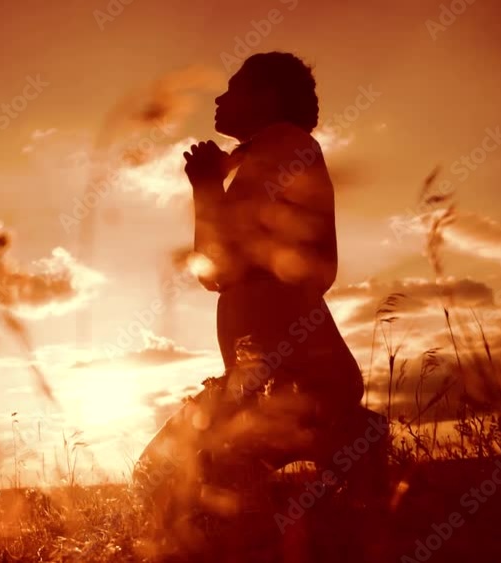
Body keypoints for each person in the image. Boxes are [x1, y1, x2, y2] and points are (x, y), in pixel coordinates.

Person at [135, 52, 386, 523]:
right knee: (193, 482)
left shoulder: (286, 143)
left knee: (166, 476)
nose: (218, 97)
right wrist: (206, 186)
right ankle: (356, 462)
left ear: (267, 95)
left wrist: (209, 185)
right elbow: (213, 272)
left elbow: (226, 257)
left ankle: (358, 458)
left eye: (233, 88)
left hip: (294, 376)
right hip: (269, 378)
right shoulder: (269, 153)